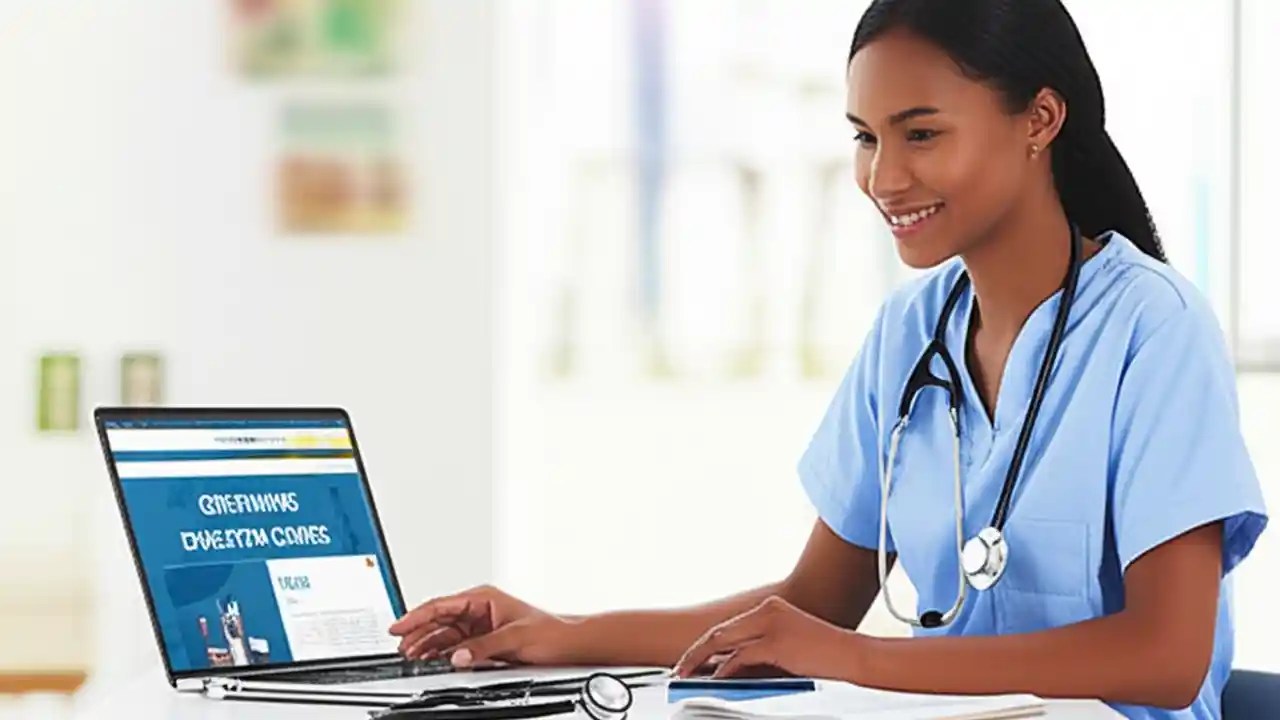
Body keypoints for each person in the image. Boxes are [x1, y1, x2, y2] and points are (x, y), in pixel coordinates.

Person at [389, 1, 1267, 718]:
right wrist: (561, 631)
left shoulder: (1155, 330)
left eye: (920, 135)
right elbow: (809, 609)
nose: (883, 178)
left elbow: (1166, 658)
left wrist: (854, 658)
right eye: (865, 137)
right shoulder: (910, 332)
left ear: (1040, 119)